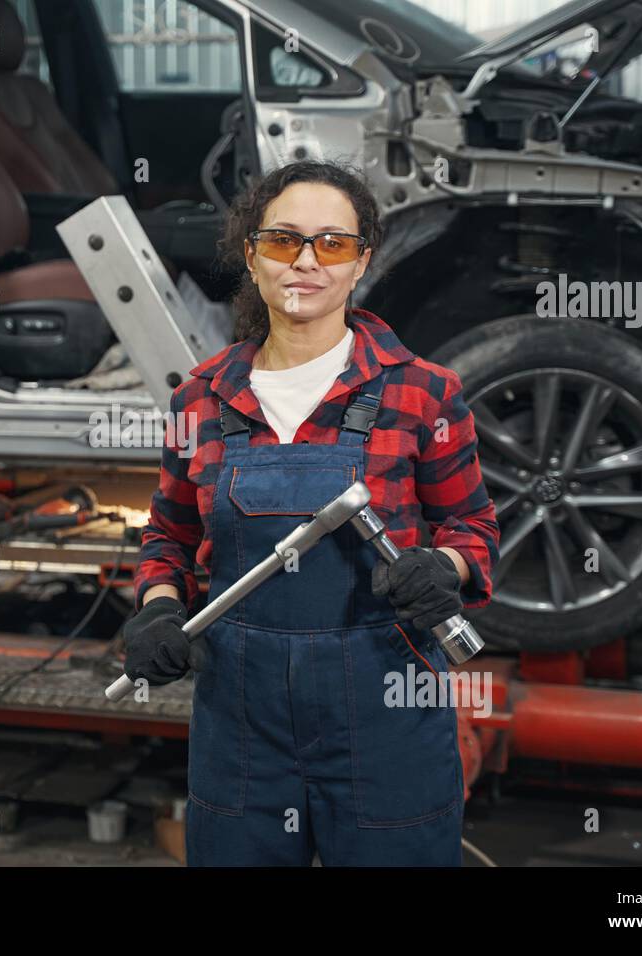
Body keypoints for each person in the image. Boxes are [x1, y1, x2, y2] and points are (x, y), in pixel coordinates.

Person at [124, 159, 500, 866]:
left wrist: (441, 566)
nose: (305, 261)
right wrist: (157, 605)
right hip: (242, 724)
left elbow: (473, 529)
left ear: (361, 262)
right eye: (282, 241)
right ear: (251, 255)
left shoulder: (423, 393)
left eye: (331, 244)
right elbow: (169, 535)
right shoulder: (200, 400)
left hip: (388, 711)